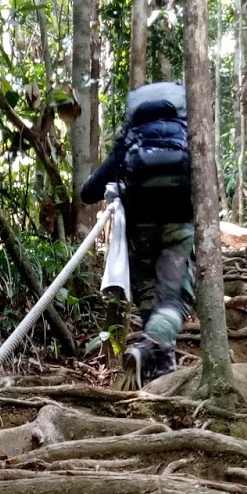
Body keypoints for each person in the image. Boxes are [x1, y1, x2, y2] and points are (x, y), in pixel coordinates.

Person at [80, 81, 195, 387]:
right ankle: (151, 349)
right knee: (172, 300)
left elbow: (87, 193)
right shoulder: (186, 135)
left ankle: (161, 370)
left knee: (148, 298)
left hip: (139, 230)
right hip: (179, 227)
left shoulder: (130, 140)